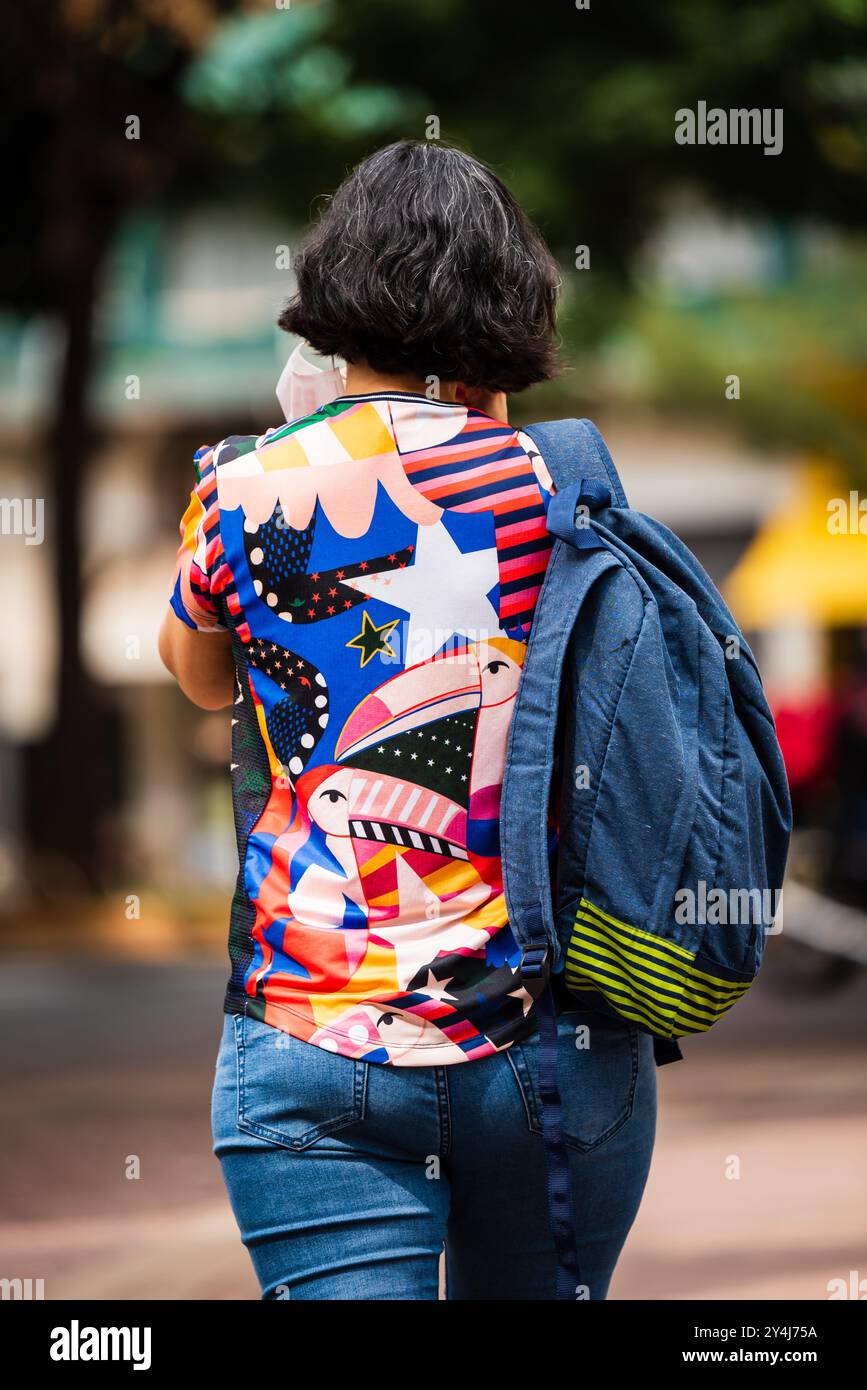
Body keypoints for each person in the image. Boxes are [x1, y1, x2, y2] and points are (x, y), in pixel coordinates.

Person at [159, 139, 656, 1300]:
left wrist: (296, 438)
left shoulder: (241, 485)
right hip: (552, 1047)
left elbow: (198, 675)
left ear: (333, 306)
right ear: (511, 306)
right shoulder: (561, 487)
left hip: (311, 1037)